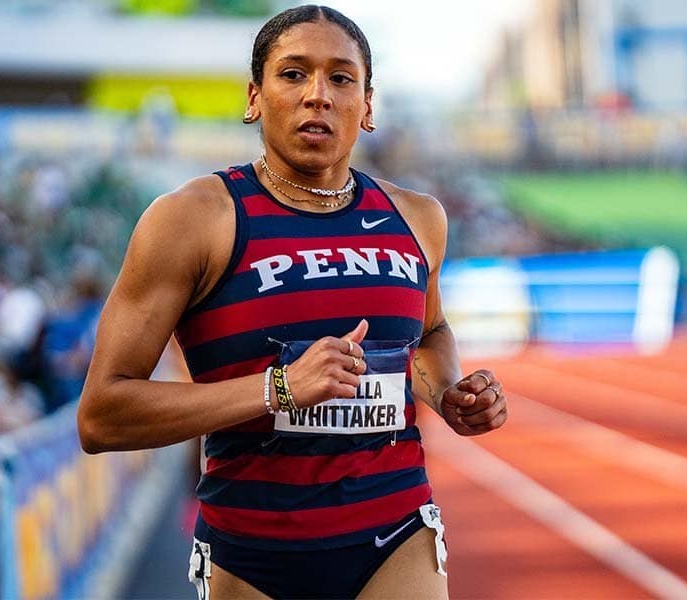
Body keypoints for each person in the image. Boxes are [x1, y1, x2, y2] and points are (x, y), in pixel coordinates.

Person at [77, 5, 508, 599]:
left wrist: (449, 393)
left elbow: (430, 334)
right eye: (293, 74)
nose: (318, 96)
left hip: (395, 529)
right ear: (254, 97)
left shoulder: (418, 218)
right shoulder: (193, 218)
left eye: (341, 78)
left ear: (369, 104)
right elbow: (101, 414)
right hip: (253, 552)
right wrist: (278, 388)